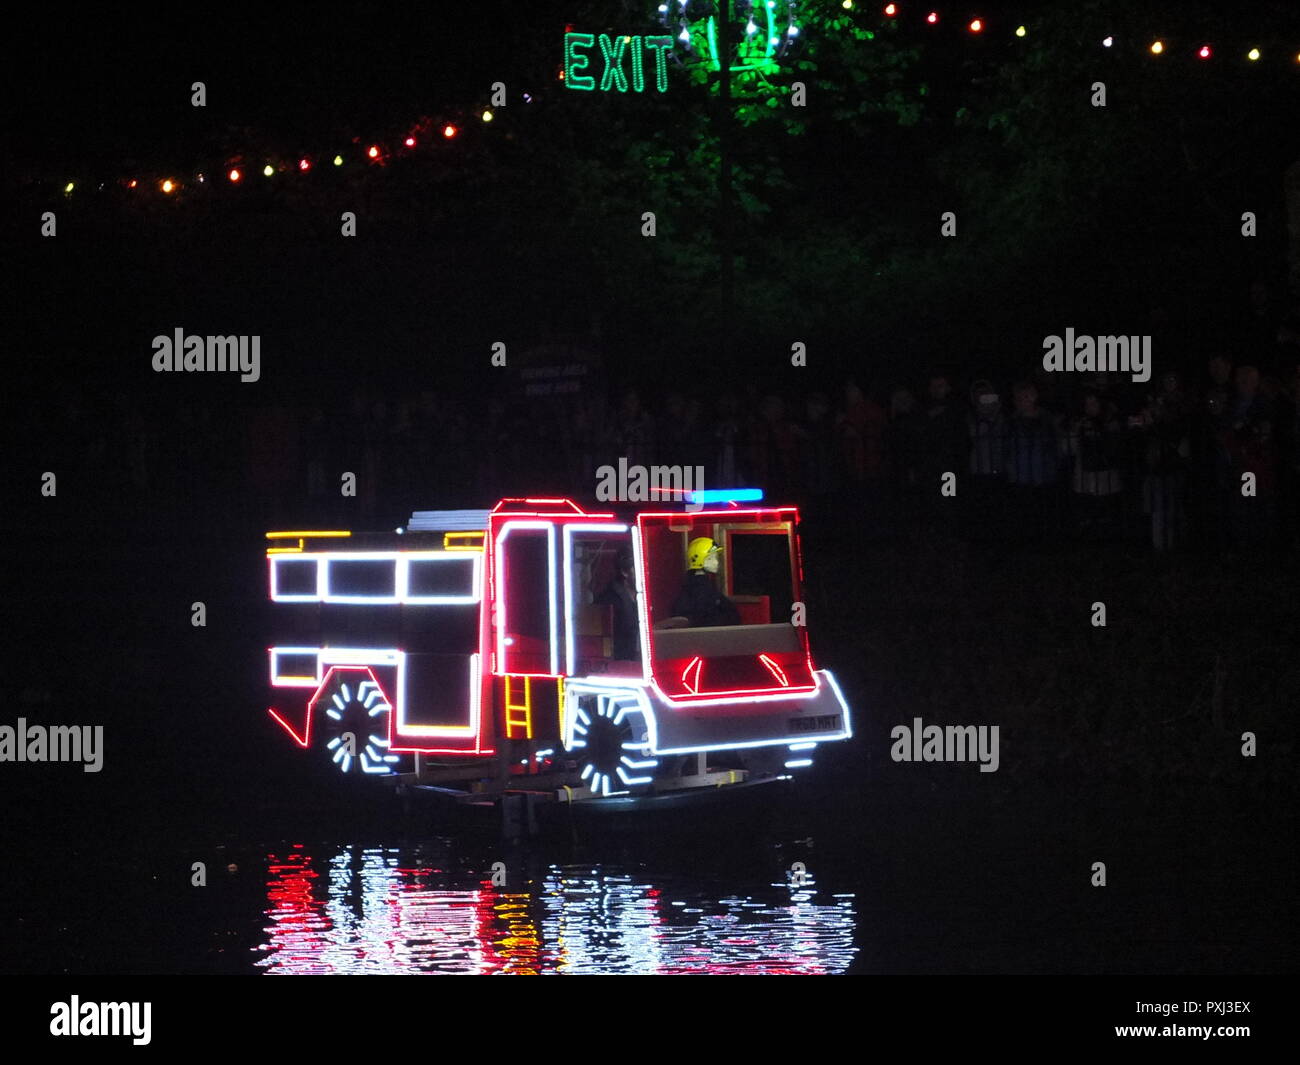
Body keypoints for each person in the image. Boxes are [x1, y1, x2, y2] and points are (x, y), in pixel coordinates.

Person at [671, 537, 740, 627]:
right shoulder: (700, 588)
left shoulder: (696, 584)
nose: (716, 562)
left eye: (716, 558)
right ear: (699, 561)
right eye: (711, 558)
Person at [592, 547, 641, 660]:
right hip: (619, 664)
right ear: (624, 572)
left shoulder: (639, 597)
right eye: (639, 569)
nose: (644, 574)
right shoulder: (610, 600)